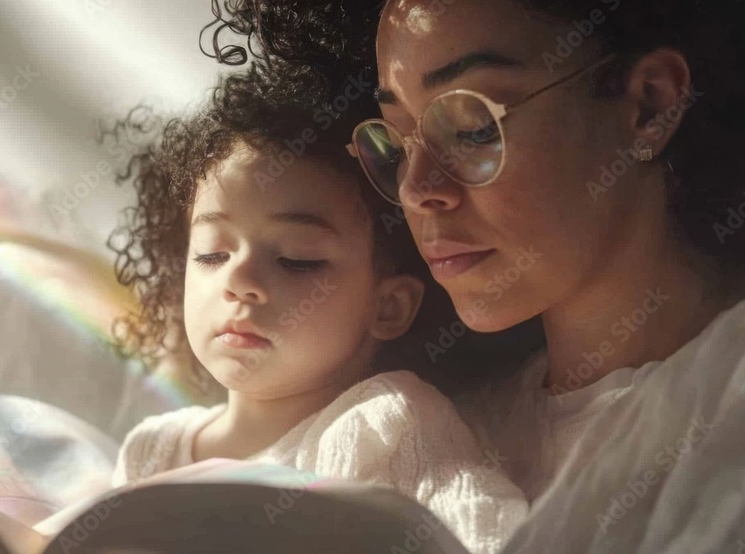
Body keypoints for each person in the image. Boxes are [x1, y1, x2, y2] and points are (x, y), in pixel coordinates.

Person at [207, 1, 745, 552]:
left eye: (471, 126)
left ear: (650, 104)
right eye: (397, 142)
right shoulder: (429, 434)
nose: (417, 188)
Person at [106, 63, 528, 554]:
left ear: (389, 306)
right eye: (212, 254)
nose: (239, 281)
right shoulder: (151, 452)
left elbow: (487, 536)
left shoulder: (384, 425)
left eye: (296, 260)